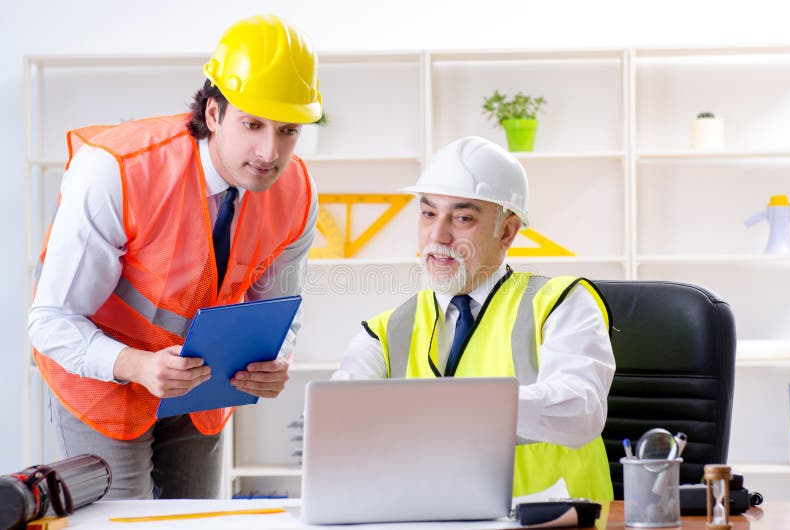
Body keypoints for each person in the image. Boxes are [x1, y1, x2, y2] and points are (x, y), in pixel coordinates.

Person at [27, 14, 321, 500]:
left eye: (288, 130)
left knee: (194, 521)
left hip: (203, 387)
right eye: (252, 124)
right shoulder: (115, 172)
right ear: (213, 113)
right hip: (106, 379)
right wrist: (137, 366)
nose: (270, 152)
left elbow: (279, 309)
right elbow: (51, 319)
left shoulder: (297, 191)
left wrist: (276, 358)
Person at [333, 136, 616, 501]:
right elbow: (339, 417)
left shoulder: (560, 304)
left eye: (462, 217)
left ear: (507, 231)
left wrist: (452, 406)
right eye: (428, 213)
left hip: (553, 522)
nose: (438, 236)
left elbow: (581, 411)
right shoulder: (385, 332)